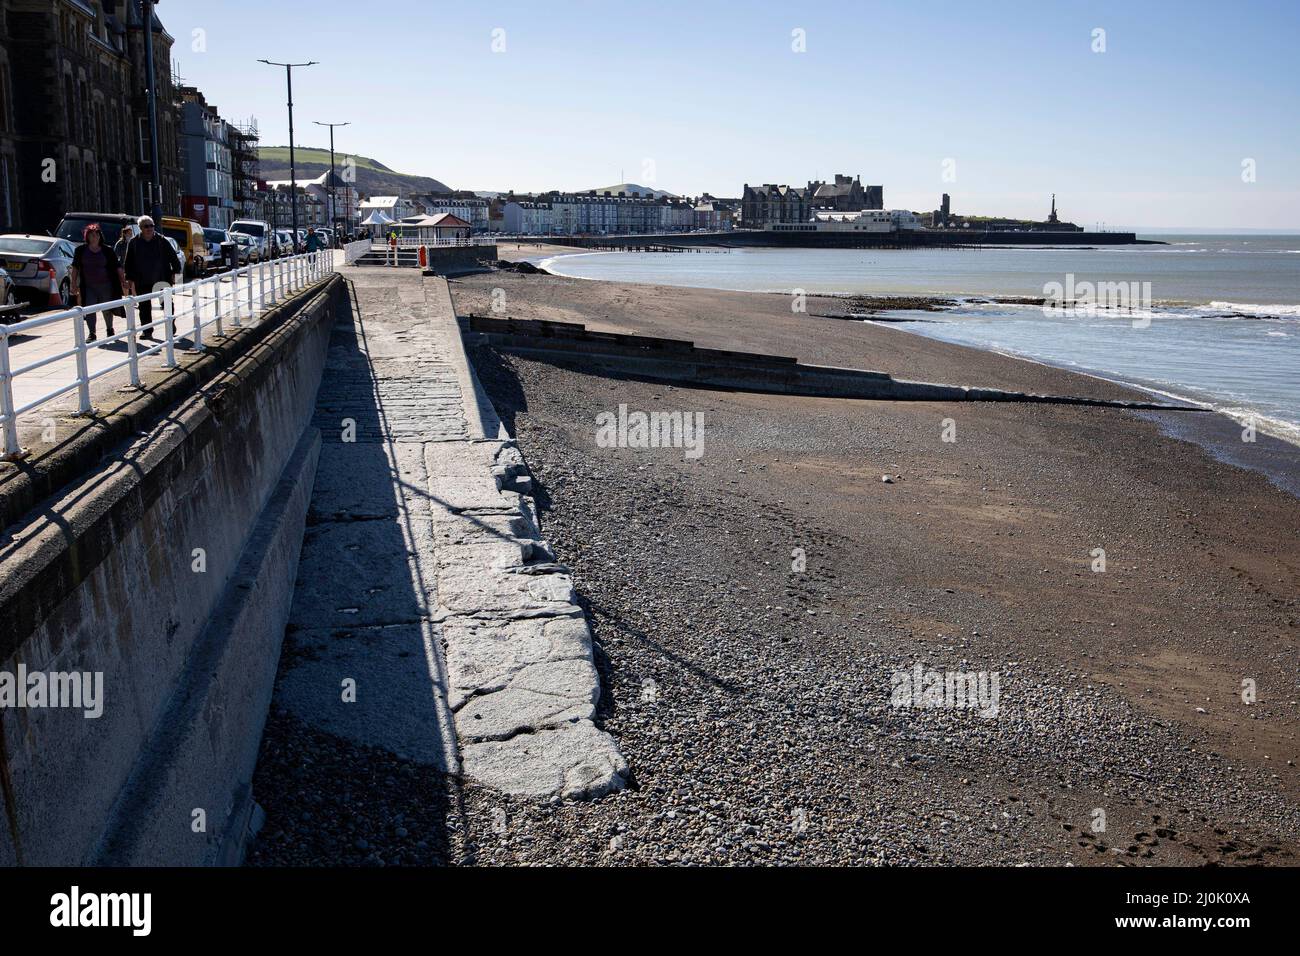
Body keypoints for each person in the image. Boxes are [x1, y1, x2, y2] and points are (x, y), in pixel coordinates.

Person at [122, 215, 182, 341]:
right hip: (142, 279)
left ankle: (170, 324)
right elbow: (128, 262)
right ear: (140, 228)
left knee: (166, 303)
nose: (150, 228)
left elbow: (173, 258)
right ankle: (147, 331)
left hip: (161, 278)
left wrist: (176, 273)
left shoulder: (161, 240)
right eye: (146, 226)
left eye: (151, 225)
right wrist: (129, 278)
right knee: (144, 307)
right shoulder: (134, 242)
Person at [68, 223, 126, 342]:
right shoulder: (80, 250)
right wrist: (73, 283)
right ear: (87, 237)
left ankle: (110, 329)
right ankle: (92, 333)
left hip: (106, 284)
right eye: (91, 235)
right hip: (88, 286)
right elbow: (75, 268)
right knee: (89, 308)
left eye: (96, 235)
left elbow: (117, 267)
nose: (94, 237)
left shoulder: (107, 250)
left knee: (107, 309)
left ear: (100, 236)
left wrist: (123, 281)